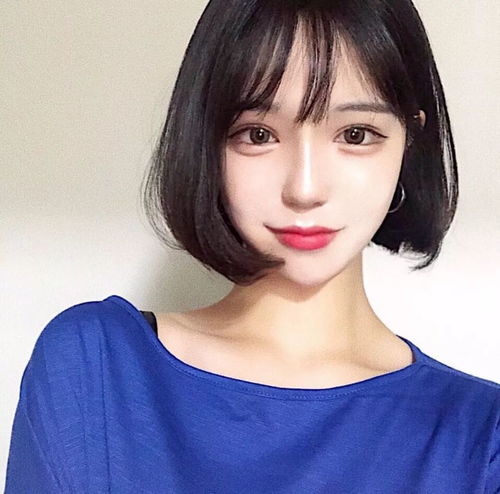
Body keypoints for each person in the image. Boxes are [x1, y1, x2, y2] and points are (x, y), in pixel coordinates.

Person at [5, 0, 499, 492]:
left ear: (408, 142)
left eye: (355, 134)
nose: (304, 189)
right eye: (259, 134)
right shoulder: (97, 370)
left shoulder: (479, 438)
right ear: (209, 141)